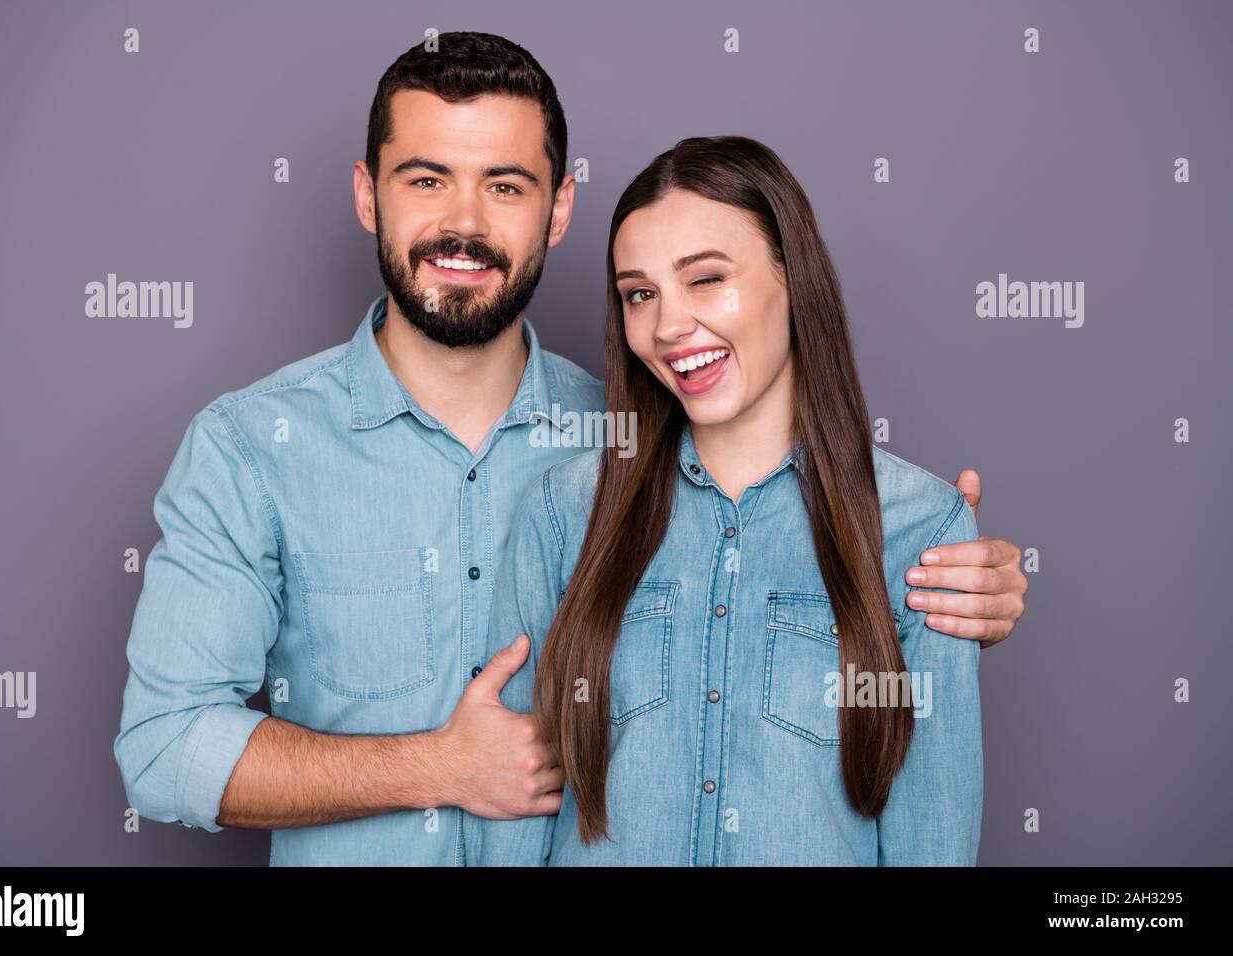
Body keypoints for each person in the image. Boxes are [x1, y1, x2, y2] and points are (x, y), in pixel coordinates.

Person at [114, 33, 1026, 867]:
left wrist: (949, 569)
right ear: (367, 194)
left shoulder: (643, 453)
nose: (463, 222)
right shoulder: (249, 448)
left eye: (505, 185)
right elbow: (162, 749)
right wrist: (437, 768)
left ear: (558, 209)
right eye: (426, 179)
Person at [469, 136, 987, 865]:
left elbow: (931, 839)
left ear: (791, 277)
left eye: (706, 279)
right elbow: (513, 811)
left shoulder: (919, 530)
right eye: (639, 294)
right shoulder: (562, 515)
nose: (667, 326)